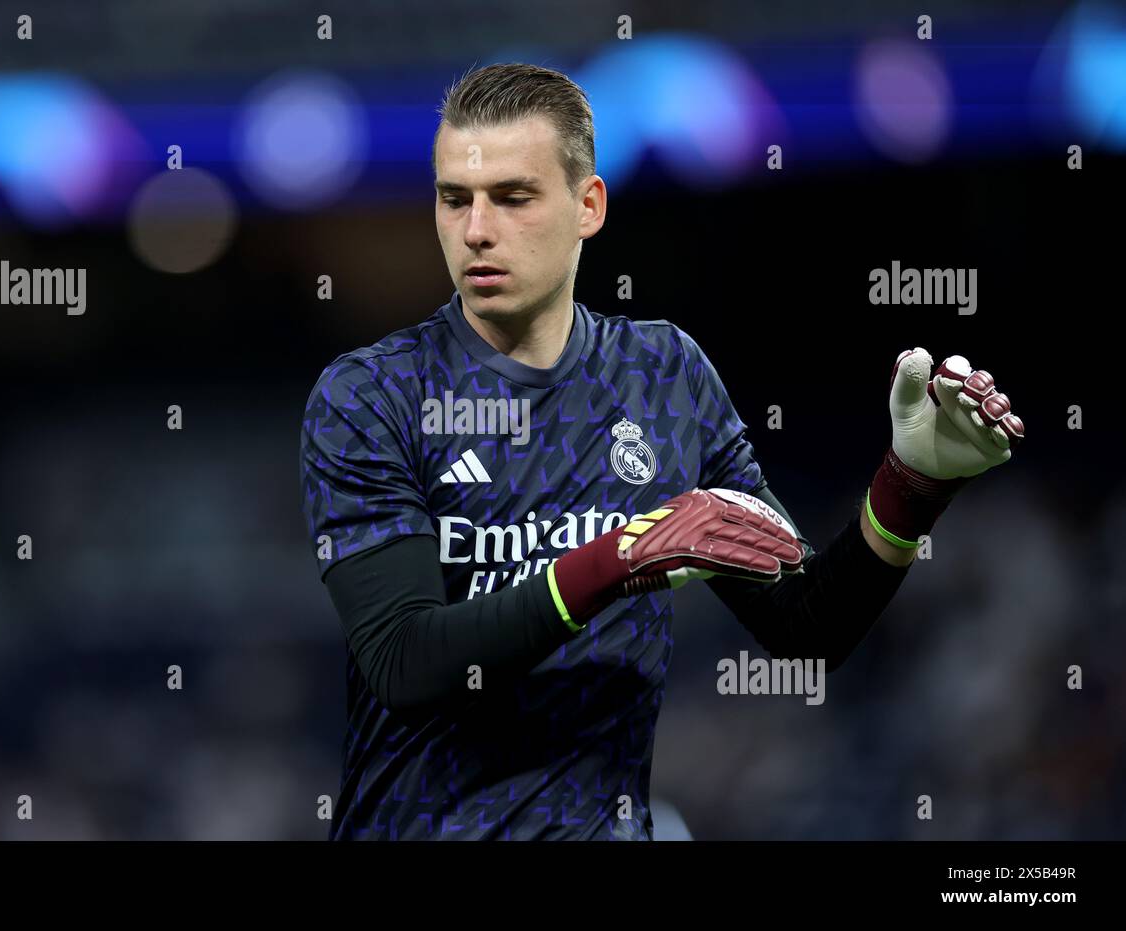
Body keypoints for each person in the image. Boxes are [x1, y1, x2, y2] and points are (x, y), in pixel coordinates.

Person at [299, 63, 1023, 840]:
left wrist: (912, 486)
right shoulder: (372, 394)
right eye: (455, 199)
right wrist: (615, 562)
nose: (477, 229)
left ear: (588, 206)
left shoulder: (664, 374)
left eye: (512, 197)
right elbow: (408, 664)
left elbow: (804, 623)